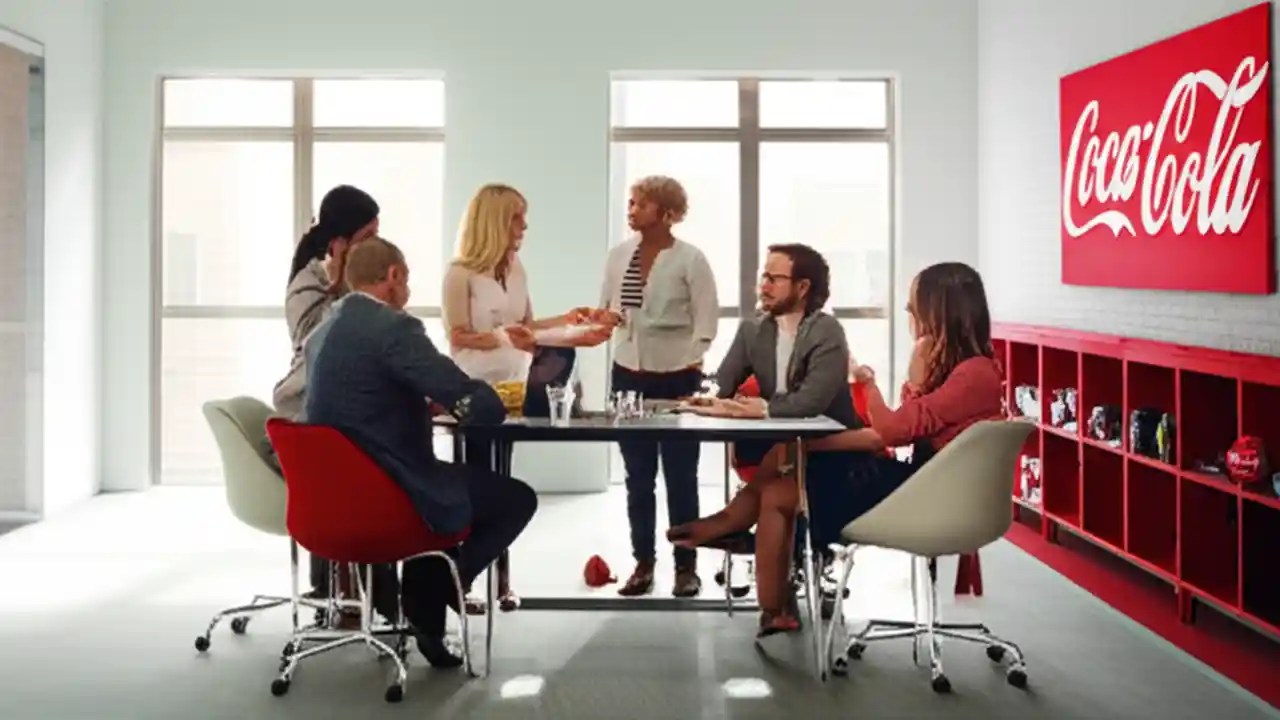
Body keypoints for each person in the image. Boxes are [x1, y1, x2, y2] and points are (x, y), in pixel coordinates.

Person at [669, 261, 1004, 637]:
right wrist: (812, 443)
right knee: (789, 465)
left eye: (914, 307)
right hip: (921, 484)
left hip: (930, 496)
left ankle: (738, 530)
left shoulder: (975, 374)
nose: (909, 315)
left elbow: (892, 431)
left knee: (789, 479)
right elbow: (896, 433)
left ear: (939, 311)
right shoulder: (966, 371)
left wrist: (868, 381)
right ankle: (771, 600)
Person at [303, 236, 538, 668]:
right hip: (391, 487)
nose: (408, 291)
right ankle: (431, 593)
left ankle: (425, 599)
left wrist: (418, 399)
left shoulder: (324, 330)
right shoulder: (394, 328)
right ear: (393, 277)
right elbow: (470, 400)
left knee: (461, 487)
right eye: (406, 279)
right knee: (515, 498)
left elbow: (360, 395)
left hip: (335, 494)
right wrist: (488, 400)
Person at [666, 243, 858, 631]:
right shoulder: (754, 329)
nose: (764, 286)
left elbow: (811, 402)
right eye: (763, 277)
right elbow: (723, 382)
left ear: (802, 287)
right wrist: (706, 399)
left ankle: (730, 523)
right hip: (786, 454)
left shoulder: (827, 331)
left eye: (774, 278)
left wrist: (759, 408)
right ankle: (775, 610)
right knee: (779, 487)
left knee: (780, 489)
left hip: (835, 455)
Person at [442, 183, 609, 612]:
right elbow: (457, 335)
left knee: (501, 479)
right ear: (495, 221)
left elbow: (529, 328)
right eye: (517, 217)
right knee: (478, 485)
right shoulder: (459, 273)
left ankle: (499, 580)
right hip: (472, 392)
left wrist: (572, 324)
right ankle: (462, 580)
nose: (524, 226)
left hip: (513, 390)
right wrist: (501, 337)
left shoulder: (516, 269)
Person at [582, 175, 718, 598]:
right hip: (627, 373)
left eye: (640, 204)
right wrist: (598, 320)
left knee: (681, 475)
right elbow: (608, 307)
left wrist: (692, 360)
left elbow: (707, 318)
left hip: (677, 376)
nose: (632, 210)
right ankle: (643, 563)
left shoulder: (691, 260)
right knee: (637, 476)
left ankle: (685, 567)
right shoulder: (618, 255)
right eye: (631, 202)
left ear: (667, 212)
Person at [270, 184, 388, 620]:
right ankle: (344, 590)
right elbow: (316, 341)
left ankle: (371, 594)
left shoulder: (362, 281)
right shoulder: (310, 281)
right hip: (305, 414)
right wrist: (341, 284)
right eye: (367, 236)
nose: (374, 246)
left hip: (340, 411)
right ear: (340, 243)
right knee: (361, 463)